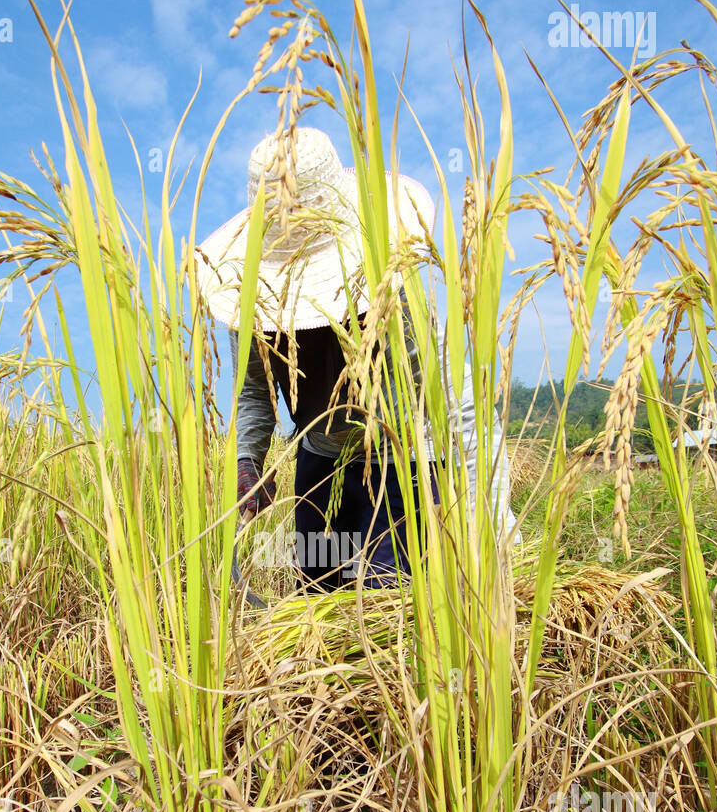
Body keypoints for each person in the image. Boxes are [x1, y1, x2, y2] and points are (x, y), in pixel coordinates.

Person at [195, 127, 516, 590]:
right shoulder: (253, 297)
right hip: (320, 456)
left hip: (400, 456)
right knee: (318, 589)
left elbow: (457, 401)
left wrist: (492, 521)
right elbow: (253, 392)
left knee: (388, 594)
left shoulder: (391, 285)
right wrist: (249, 463)